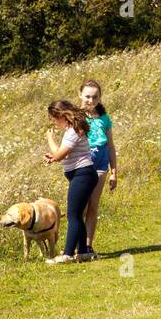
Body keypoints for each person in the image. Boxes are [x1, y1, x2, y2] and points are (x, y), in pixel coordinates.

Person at [42, 99, 97, 264]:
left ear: (62, 116)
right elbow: (63, 155)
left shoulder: (73, 130)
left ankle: (67, 254)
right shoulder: (72, 129)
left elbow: (60, 155)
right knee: (77, 215)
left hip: (83, 174)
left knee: (72, 215)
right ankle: (83, 251)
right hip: (82, 175)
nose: (54, 123)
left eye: (54, 119)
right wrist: (53, 156)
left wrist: (50, 139)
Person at [80, 79, 117, 256]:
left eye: (95, 97)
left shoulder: (104, 119)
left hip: (101, 165)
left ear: (100, 98)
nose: (91, 101)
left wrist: (114, 171)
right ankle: (75, 244)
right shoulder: (76, 117)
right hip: (82, 165)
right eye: (87, 96)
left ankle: (88, 245)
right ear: (80, 95)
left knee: (93, 206)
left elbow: (111, 146)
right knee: (81, 207)